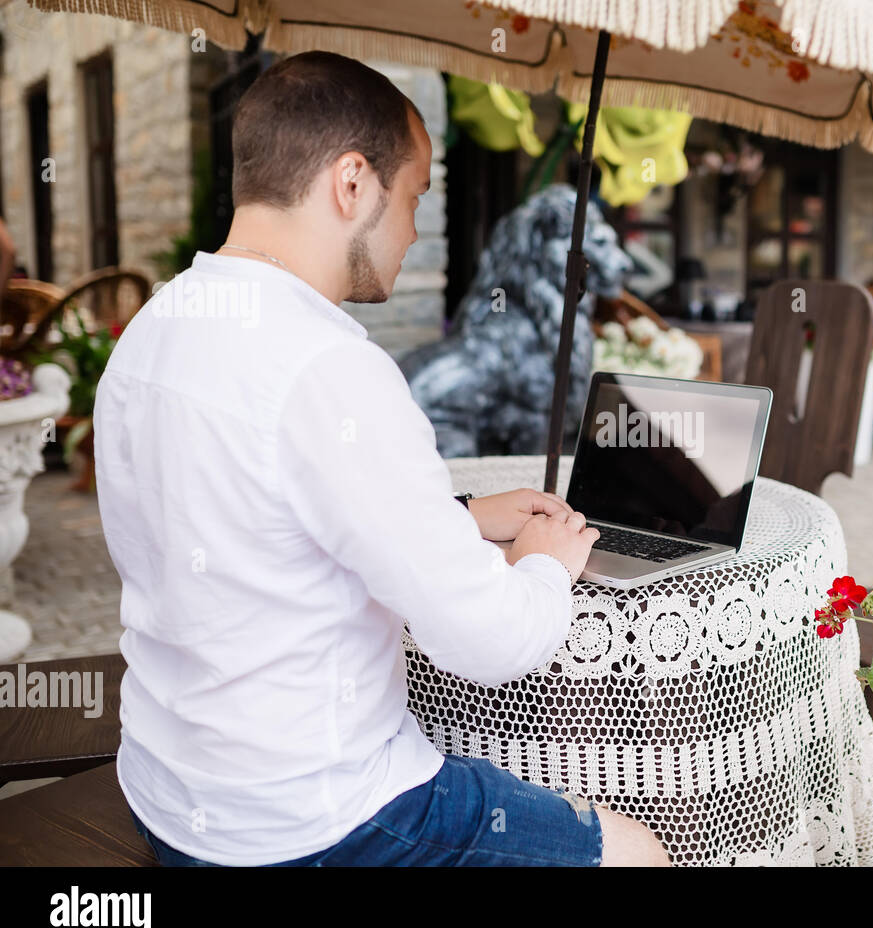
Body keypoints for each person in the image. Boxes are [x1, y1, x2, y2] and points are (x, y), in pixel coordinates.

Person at [94, 51, 670, 867]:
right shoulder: (330, 366)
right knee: (639, 851)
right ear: (352, 183)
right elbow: (492, 643)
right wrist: (543, 565)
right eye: (414, 199)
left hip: (169, 789)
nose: (410, 232)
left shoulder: (156, 326)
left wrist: (461, 519)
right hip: (310, 821)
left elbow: (252, 514)